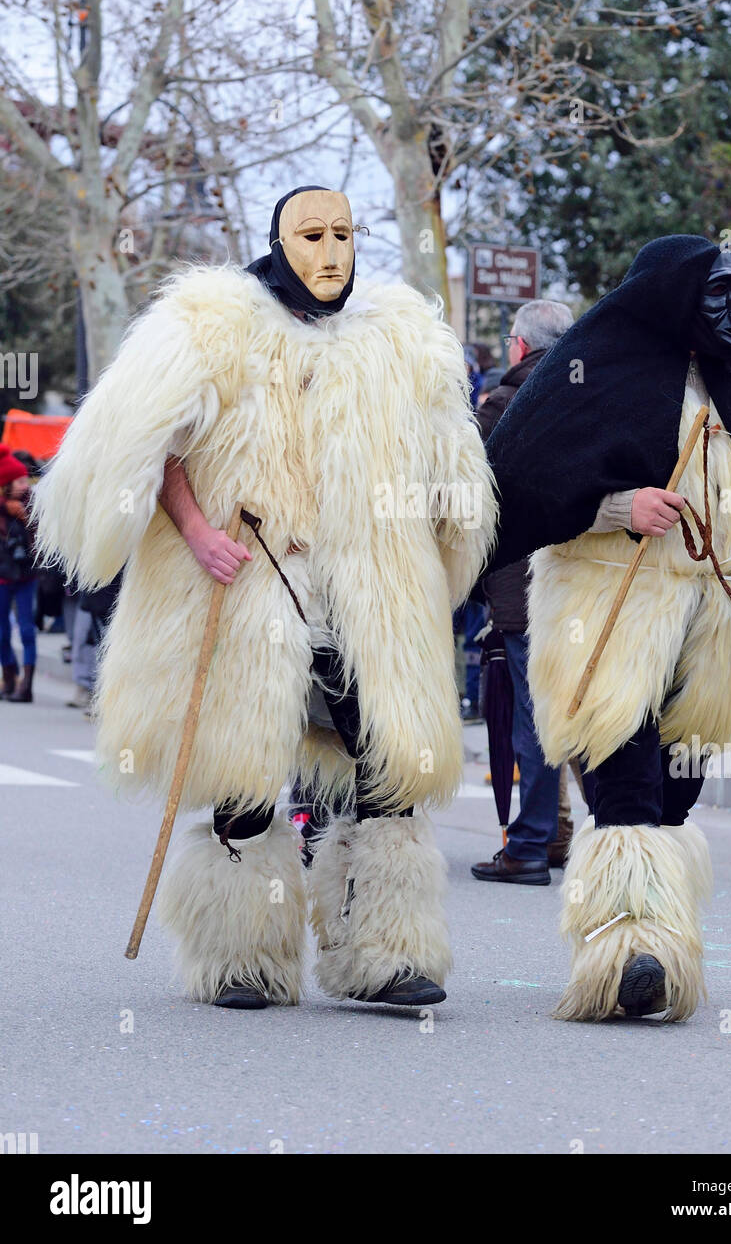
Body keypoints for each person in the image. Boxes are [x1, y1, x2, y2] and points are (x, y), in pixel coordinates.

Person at [34, 185, 496, 1011]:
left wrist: (434, 558)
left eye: (344, 234)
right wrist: (198, 530)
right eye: (311, 234)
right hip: (250, 584)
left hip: (367, 594)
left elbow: (451, 464)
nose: (330, 251)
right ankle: (242, 955)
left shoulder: (400, 339)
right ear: (280, 242)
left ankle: (383, 954)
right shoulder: (216, 324)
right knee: (247, 767)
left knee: (386, 764)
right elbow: (149, 439)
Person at [486, 237, 731, 1021]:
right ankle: (628, 958)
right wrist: (615, 507)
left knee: (675, 796)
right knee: (623, 790)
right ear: (674, 297)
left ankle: (658, 939)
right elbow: (520, 482)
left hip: (714, 622)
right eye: (716, 293)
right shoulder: (596, 366)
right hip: (612, 611)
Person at [470, 300, 575, 884]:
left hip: (522, 586)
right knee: (581, 710)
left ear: (518, 346)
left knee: (531, 719)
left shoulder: (503, 405)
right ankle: (593, 831)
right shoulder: (589, 394)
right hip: (583, 583)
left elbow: (467, 496)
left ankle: (530, 845)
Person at [0, 444, 38, 702]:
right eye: (19, 480)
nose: (25, 484)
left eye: (26, 479)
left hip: (27, 575)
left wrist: (28, 520)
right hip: (2, 577)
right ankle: (9, 676)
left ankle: (27, 686)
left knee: (27, 629)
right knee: (1, 632)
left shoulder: (33, 506)